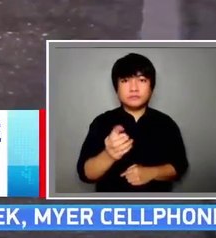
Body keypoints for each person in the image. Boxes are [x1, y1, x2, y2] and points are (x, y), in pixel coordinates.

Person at [76, 53, 189, 193]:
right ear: (116, 88)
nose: (133, 88)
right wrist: (109, 154)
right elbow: (85, 174)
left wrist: (151, 172)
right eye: (125, 80)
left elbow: (179, 167)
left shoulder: (166, 123)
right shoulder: (102, 122)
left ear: (152, 88)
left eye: (142, 80)